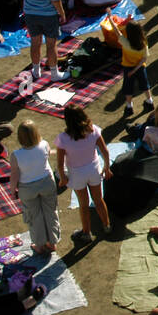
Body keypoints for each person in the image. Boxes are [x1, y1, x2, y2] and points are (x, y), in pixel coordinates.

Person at [54, 104, 112, 245]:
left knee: (83, 204)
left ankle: (86, 233)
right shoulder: (94, 130)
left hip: (76, 174)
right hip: (93, 169)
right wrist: (107, 167)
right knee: (98, 200)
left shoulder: (63, 138)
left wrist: (62, 177)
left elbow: (60, 162)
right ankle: (107, 225)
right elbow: (105, 151)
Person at [9, 120, 60, 256]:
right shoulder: (44, 145)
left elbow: (14, 175)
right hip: (46, 183)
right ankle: (52, 242)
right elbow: (48, 154)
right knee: (51, 212)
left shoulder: (16, 155)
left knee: (34, 216)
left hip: (27, 188)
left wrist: (12, 190)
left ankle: (39, 244)